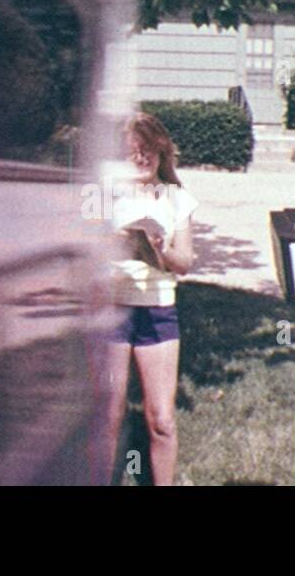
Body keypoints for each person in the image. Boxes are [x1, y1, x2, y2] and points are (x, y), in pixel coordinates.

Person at [97, 112, 198, 486]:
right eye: (133, 151)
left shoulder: (176, 198)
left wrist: (160, 250)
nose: (141, 158)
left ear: (162, 152)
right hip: (112, 311)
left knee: (162, 420)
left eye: (149, 151)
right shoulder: (106, 195)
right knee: (109, 415)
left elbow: (184, 262)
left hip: (158, 310)